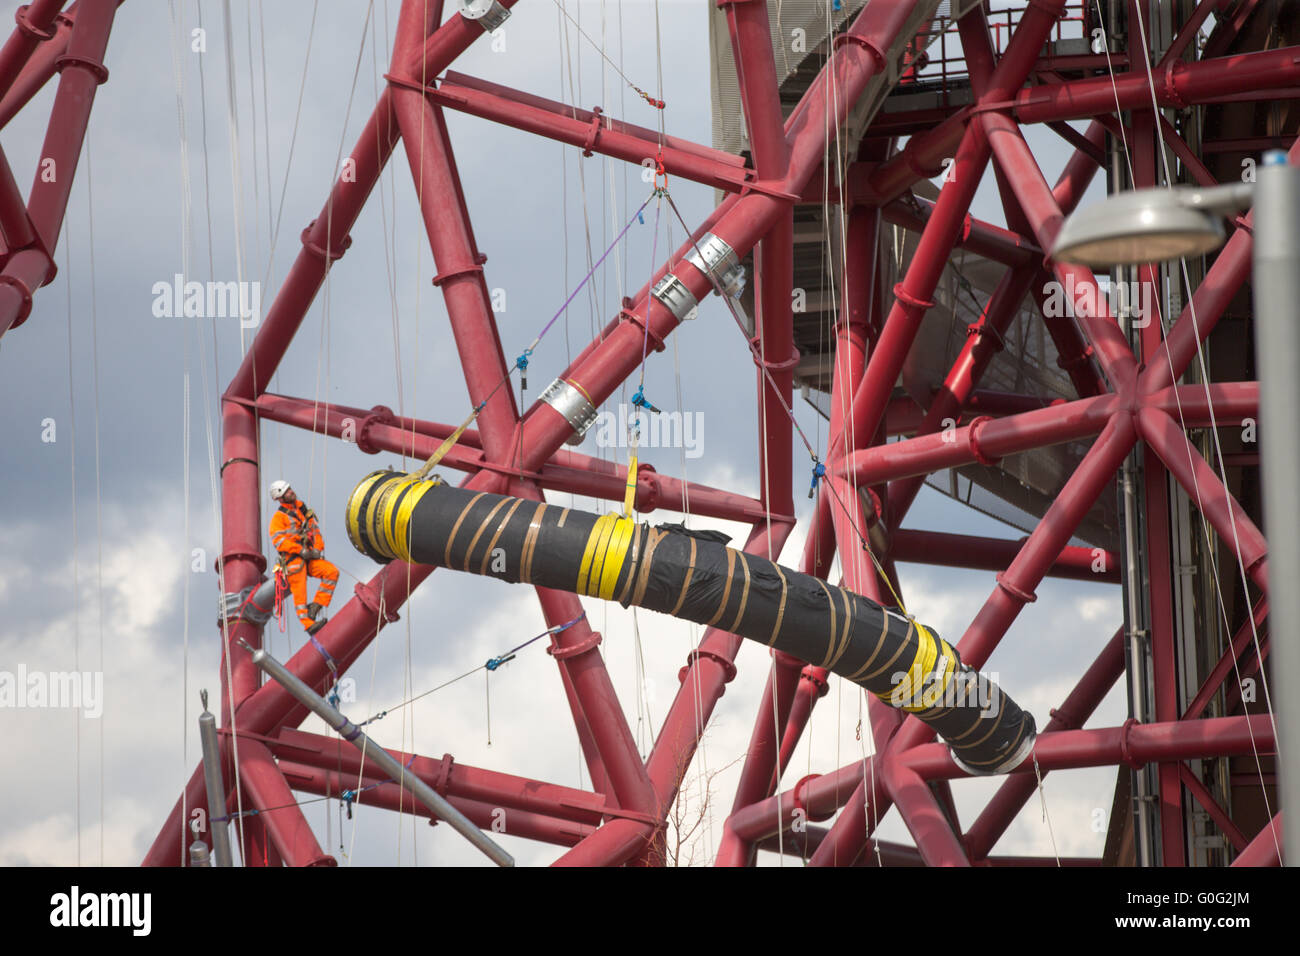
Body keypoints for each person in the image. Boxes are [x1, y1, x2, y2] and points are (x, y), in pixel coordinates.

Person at [268, 480, 338, 635]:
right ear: (280, 498)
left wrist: (317, 550)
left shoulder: (302, 509)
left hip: (309, 557)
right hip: (293, 560)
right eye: (286, 491)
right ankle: (308, 624)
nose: (291, 492)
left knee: (331, 572)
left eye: (290, 489)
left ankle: (316, 606)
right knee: (300, 593)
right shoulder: (278, 519)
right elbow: (278, 542)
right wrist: (299, 550)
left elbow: (315, 530)